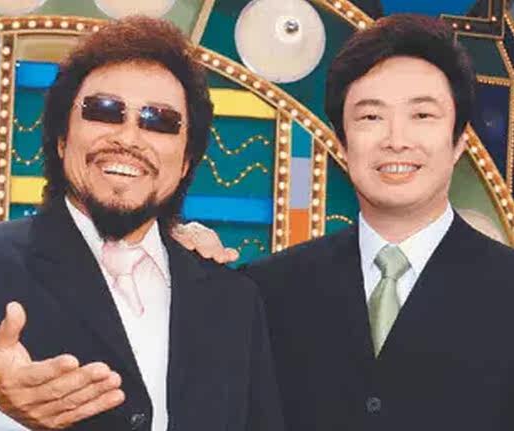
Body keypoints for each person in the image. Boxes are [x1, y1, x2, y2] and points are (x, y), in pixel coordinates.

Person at [176, 14, 514, 430]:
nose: (396, 140)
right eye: (371, 117)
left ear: (459, 141)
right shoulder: (265, 291)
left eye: (422, 116)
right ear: (342, 142)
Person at [0, 16, 283, 431]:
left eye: (160, 121)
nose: (129, 138)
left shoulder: (234, 301)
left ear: (186, 161)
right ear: (61, 139)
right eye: (104, 111)